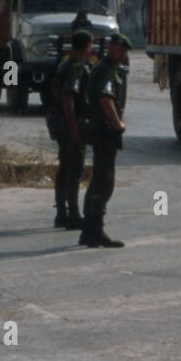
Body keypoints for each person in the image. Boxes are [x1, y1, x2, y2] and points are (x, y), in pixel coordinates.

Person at [79, 33, 131, 249]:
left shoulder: (105, 69)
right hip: (105, 133)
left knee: (97, 181)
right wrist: (117, 123)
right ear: (111, 48)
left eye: (124, 51)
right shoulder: (105, 71)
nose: (122, 54)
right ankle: (95, 231)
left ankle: (88, 231)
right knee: (104, 183)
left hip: (102, 133)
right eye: (120, 50)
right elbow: (105, 98)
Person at [52, 30, 94, 230]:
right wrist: (74, 128)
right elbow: (69, 97)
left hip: (60, 123)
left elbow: (56, 90)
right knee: (73, 171)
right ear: (86, 46)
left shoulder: (64, 64)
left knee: (64, 169)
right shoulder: (77, 68)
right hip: (71, 124)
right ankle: (73, 214)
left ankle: (61, 212)